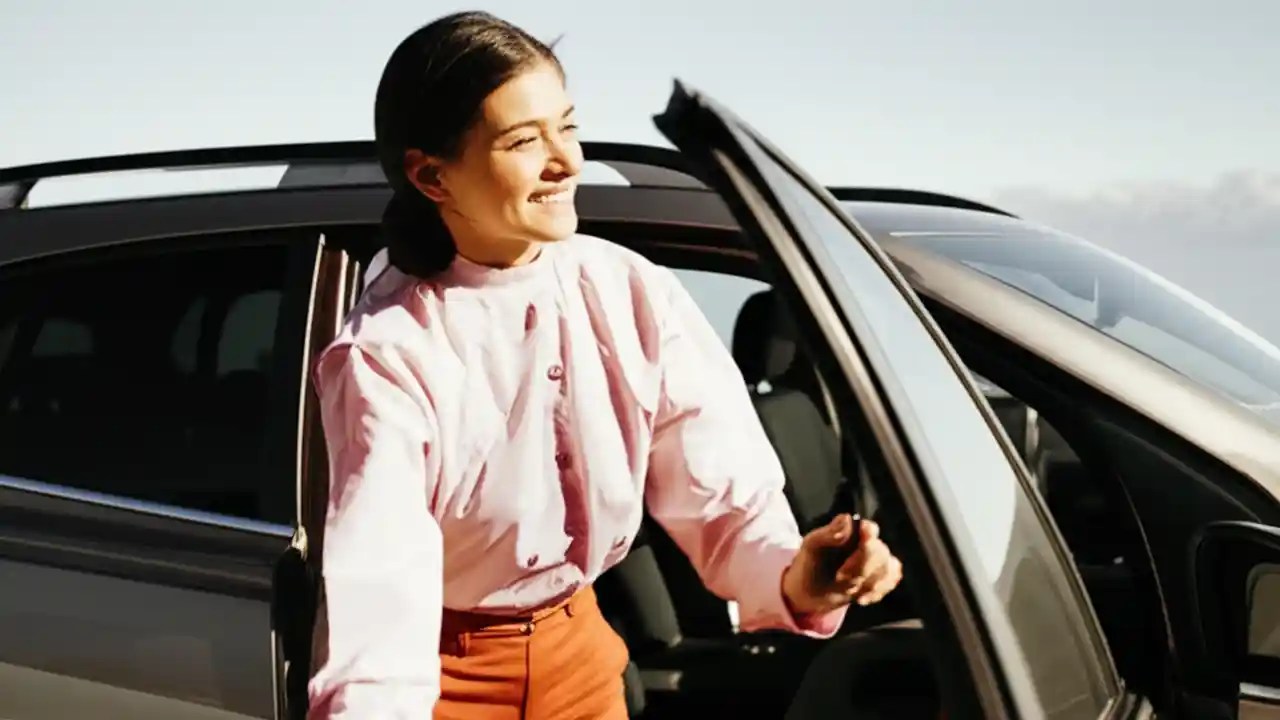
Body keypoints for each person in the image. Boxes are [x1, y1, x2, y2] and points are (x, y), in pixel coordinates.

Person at [306, 10, 904, 720]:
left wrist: (801, 573)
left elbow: (721, 494)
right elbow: (382, 597)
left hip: (582, 656)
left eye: (568, 126)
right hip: (440, 681)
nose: (567, 161)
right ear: (432, 175)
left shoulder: (632, 291)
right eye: (526, 140)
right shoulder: (389, 352)